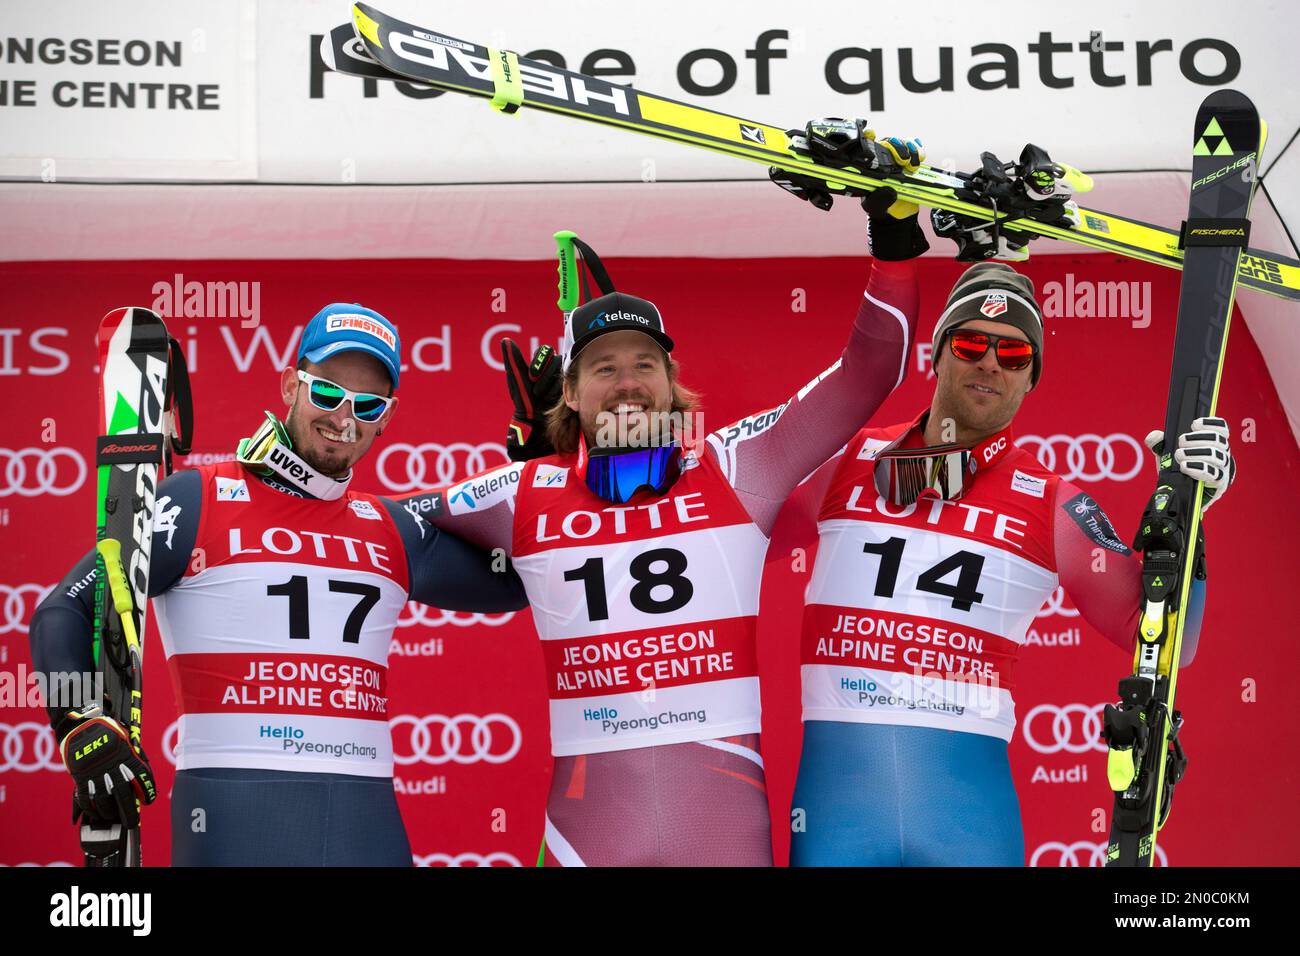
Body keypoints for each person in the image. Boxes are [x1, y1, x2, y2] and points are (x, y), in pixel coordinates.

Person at [401, 140, 928, 865]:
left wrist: (894, 240)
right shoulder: (525, 491)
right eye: (604, 368)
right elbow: (382, 529)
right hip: (587, 832)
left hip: (720, 824)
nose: (627, 382)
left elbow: (871, 372)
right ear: (574, 396)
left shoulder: (742, 464)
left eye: (645, 364)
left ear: (672, 383)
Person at [30, 303, 529, 866]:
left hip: (366, 826)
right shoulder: (196, 500)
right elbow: (62, 613)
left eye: (367, 405)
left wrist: (542, 464)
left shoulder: (394, 528)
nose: (345, 417)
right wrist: (78, 721)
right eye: (326, 393)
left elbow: (515, 584)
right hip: (233, 817)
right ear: (290, 385)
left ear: (385, 419)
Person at [784, 261, 1235, 865]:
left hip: (966, 822)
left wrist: (1191, 511)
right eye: (971, 343)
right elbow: (733, 521)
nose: (990, 362)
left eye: (1014, 354)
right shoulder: (846, 459)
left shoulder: (1051, 504)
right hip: (837, 812)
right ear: (937, 355)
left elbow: (1168, 644)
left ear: (1030, 380)